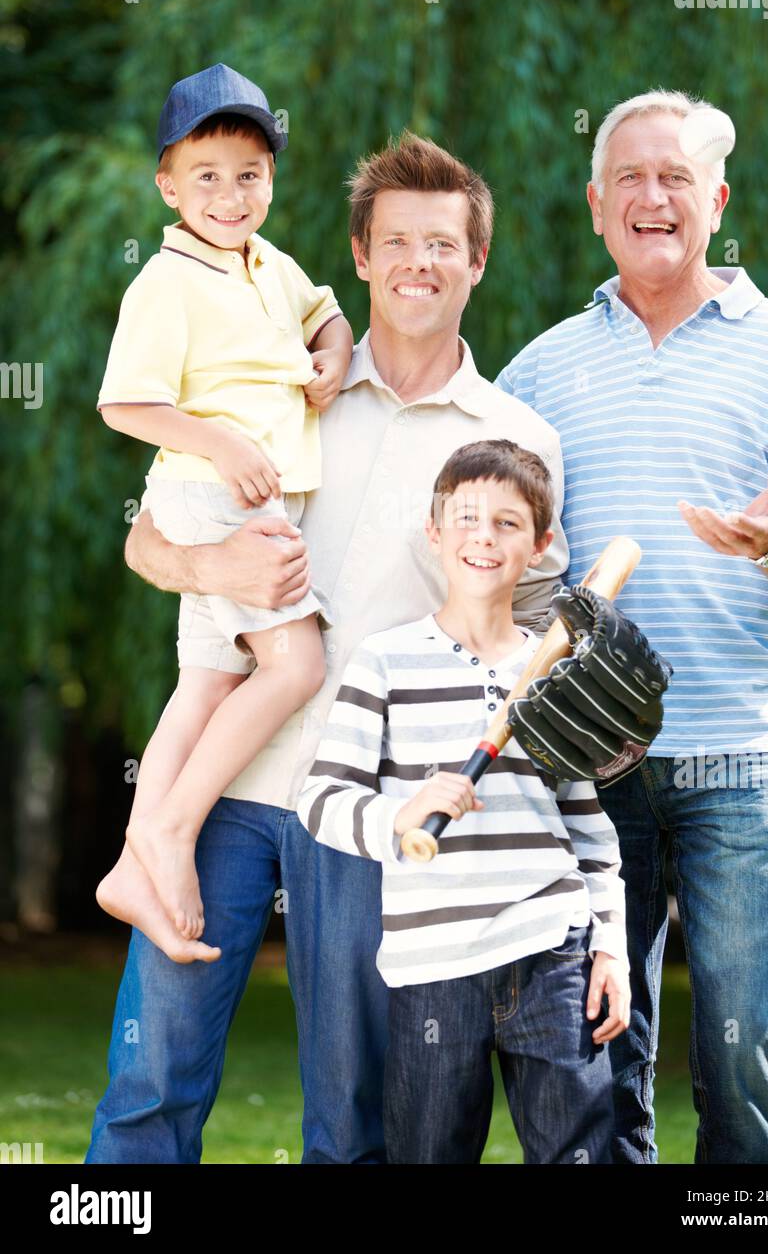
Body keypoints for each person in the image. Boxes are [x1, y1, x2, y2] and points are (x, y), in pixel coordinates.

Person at [86, 131, 572, 1164]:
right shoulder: (282, 390)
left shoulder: (515, 439)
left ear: (476, 261)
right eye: (395, 241)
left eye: (442, 244)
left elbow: (526, 639)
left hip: (369, 809)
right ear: (357, 256)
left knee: (351, 1113)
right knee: (152, 1081)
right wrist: (209, 571)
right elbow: (150, 532)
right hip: (228, 783)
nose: (417, 263)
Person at [496, 89, 768, 1164]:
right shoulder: (538, 370)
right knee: (599, 1049)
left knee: (745, 1047)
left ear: (714, 196)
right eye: (628, 178)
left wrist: (766, 544)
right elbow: (501, 563)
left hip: (740, 756)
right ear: (593, 201)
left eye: (674, 177)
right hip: (586, 761)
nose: (650, 197)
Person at [297, 439, 633, 1164]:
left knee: (581, 1154)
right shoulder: (386, 660)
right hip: (433, 964)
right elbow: (321, 800)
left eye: (509, 524)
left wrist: (610, 945)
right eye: (468, 518)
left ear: (541, 545)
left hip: (552, 946)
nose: (485, 537)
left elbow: (587, 828)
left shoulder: (554, 673)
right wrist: (401, 812)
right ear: (436, 532)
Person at [95, 64, 354, 957]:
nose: (230, 193)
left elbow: (327, 317)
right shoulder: (165, 283)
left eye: (250, 173)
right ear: (168, 185)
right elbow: (126, 404)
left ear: (272, 182)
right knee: (294, 666)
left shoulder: (270, 266)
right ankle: (170, 829)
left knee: (207, 681)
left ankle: (134, 858)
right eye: (206, 175)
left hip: (239, 495)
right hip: (217, 496)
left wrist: (333, 354)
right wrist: (223, 442)